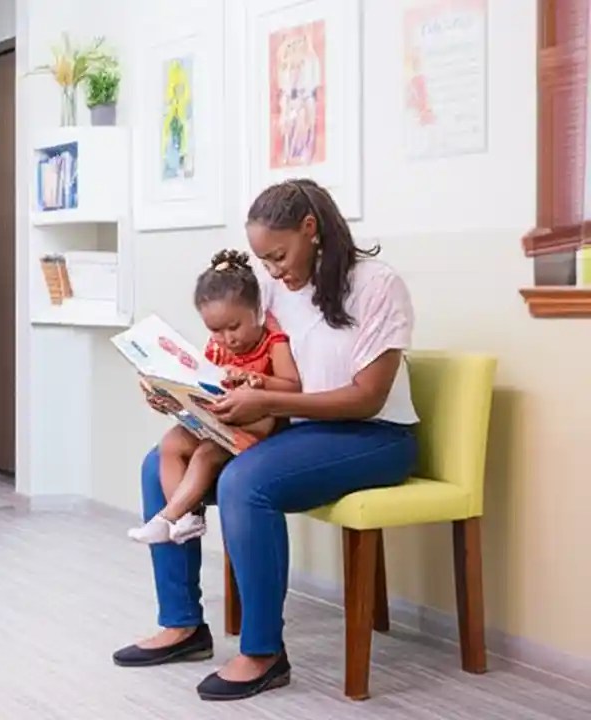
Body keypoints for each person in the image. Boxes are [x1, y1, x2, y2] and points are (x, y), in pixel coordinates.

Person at [112, 178, 420, 703]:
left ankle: (263, 652)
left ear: (311, 229)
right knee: (153, 465)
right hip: (297, 430)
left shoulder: (376, 284)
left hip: (374, 436)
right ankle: (183, 626)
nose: (273, 270)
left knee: (245, 483)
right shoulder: (271, 288)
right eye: (264, 259)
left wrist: (270, 402)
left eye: (278, 255)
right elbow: (240, 360)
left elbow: (367, 398)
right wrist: (182, 396)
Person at [128, 249, 300, 545]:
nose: (227, 339)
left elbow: (292, 387)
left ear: (257, 311)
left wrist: (254, 378)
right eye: (215, 330)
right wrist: (171, 400)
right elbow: (203, 385)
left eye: (234, 327)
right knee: (170, 445)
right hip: (220, 421)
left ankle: (167, 517)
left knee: (207, 454)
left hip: (257, 427)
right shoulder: (218, 347)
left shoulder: (274, 341)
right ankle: (187, 517)